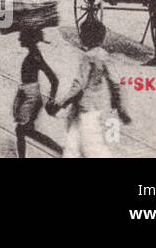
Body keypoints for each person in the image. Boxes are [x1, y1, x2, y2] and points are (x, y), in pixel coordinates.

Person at [50, 19, 129, 158]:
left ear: (87, 37)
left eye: (82, 33)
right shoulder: (104, 56)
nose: (80, 36)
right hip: (93, 107)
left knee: (93, 150)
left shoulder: (88, 57)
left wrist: (60, 104)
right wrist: (121, 108)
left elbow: (78, 85)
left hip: (86, 110)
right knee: (71, 148)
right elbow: (116, 83)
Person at [13, 27, 61, 158]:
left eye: (22, 36)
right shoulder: (34, 54)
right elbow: (54, 80)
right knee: (27, 131)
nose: (19, 39)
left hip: (31, 97)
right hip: (29, 94)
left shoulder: (35, 56)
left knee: (22, 130)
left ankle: (61, 151)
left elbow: (54, 79)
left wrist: (51, 99)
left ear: (28, 39)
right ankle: (60, 150)